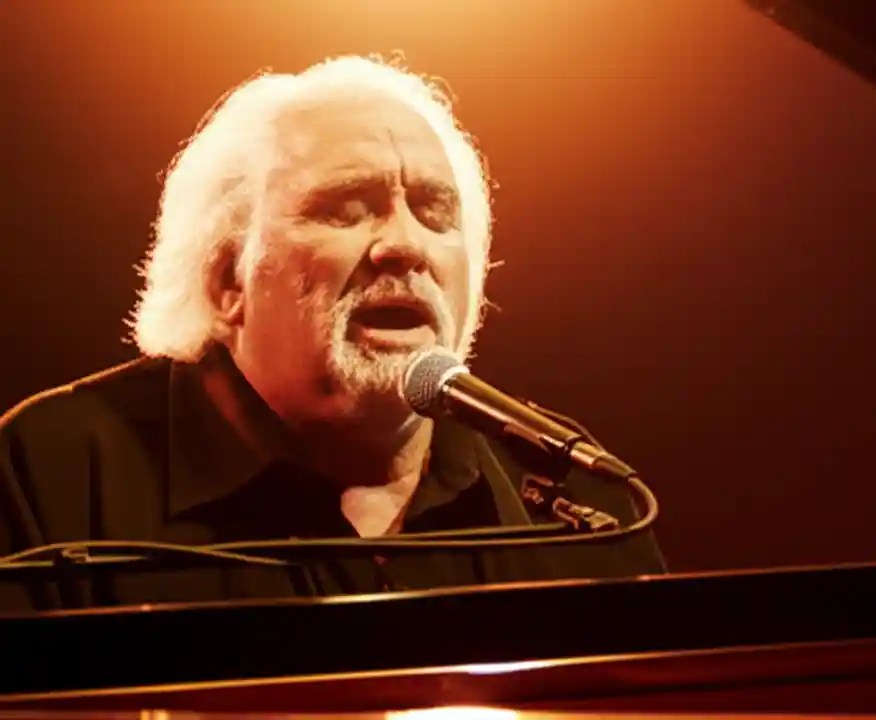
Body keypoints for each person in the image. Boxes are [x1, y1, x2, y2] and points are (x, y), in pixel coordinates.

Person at [0, 55, 664, 612]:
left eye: (435, 215)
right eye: (345, 211)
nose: (404, 245)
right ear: (227, 278)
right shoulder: (54, 475)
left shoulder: (579, 497)